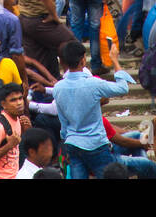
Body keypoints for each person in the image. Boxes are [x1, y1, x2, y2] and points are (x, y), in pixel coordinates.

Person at [52, 39, 134, 179]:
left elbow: (63, 121)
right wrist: (114, 60)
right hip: (95, 143)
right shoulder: (93, 83)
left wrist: (67, 136)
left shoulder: (58, 87)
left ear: (63, 62)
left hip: (73, 143)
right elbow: (123, 88)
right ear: (83, 60)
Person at [0, 84, 29, 179]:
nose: (19, 103)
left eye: (20, 98)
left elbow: (17, 146)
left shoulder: (18, 119)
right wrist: (9, 145)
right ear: (4, 104)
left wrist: (27, 129)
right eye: (13, 100)